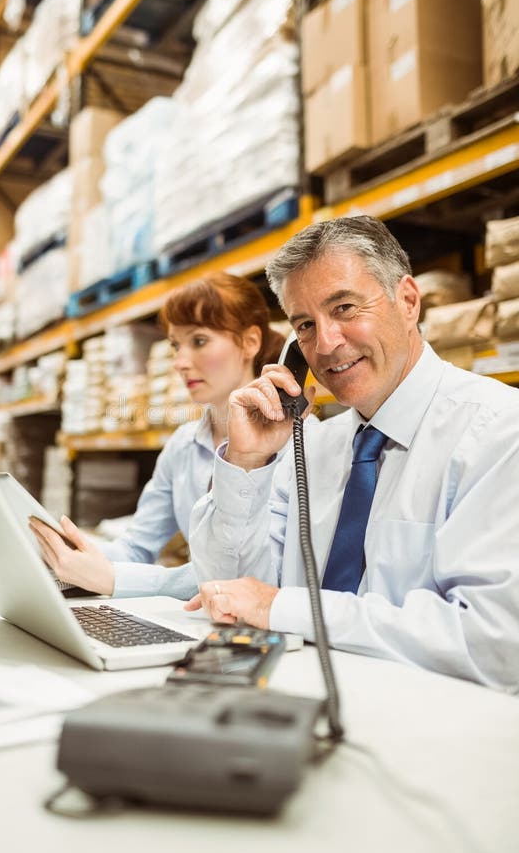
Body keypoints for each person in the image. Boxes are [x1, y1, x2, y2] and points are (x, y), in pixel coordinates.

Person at [185, 216, 519, 692]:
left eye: (344, 308)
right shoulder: (313, 447)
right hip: (304, 700)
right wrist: (247, 462)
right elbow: (228, 590)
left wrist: (284, 608)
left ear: (407, 302)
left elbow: (494, 642)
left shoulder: (500, 432)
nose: (325, 344)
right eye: (305, 324)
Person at [29, 272, 285, 599]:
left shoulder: (293, 445)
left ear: (250, 342)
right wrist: (65, 557)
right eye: (176, 345)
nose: (179, 362)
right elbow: (137, 545)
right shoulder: (182, 445)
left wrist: (115, 579)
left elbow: (254, 577)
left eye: (199, 341)